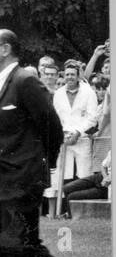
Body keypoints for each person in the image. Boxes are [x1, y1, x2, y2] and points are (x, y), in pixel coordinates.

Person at [0, 30, 82, 257]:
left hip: (22, 180)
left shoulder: (26, 81)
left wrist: (37, 164)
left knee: (18, 244)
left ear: (6, 49)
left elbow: (52, 128)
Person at [52, 59, 99, 200]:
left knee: (84, 174)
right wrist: (62, 134)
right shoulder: (58, 93)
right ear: (63, 76)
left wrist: (78, 132)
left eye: (72, 74)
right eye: (67, 74)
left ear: (78, 76)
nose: (69, 77)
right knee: (64, 173)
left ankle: (81, 206)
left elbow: (92, 117)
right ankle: (63, 209)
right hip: (64, 140)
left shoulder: (88, 92)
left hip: (82, 138)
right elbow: (56, 117)